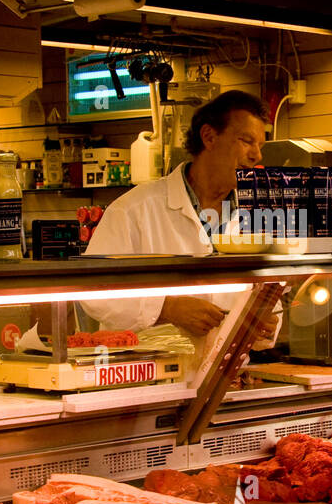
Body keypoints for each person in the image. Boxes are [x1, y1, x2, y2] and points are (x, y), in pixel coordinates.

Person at [80, 90, 279, 343]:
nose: (256, 155)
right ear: (209, 137)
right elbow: (93, 292)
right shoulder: (133, 209)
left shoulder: (257, 214)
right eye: (246, 141)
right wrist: (166, 308)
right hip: (149, 365)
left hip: (227, 364)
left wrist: (267, 321)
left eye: (260, 146)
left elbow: (270, 293)